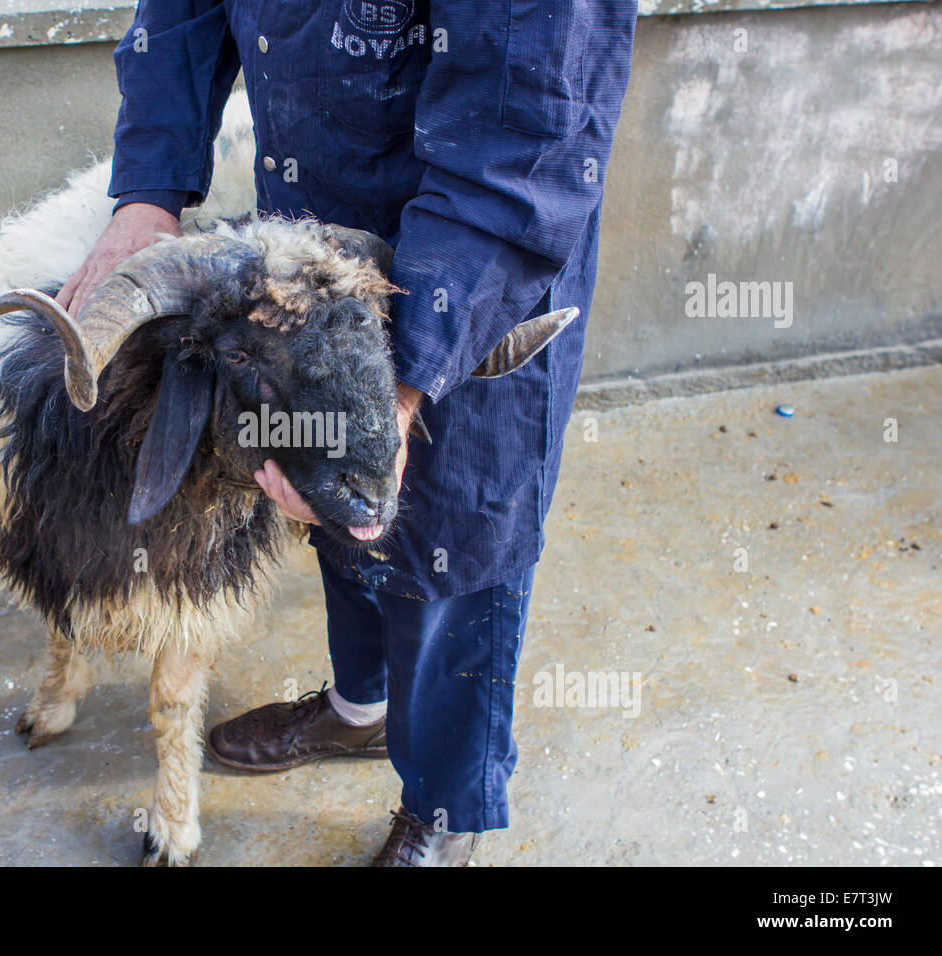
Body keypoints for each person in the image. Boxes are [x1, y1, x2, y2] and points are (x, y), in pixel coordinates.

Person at [58, 0, 637, 866]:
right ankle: (363, 706)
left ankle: (445, 805)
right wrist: (147, 190)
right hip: (312, 227)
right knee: (312, 490)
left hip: (475, 259)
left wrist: (394, 393)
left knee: (450, 523)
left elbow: (525, 131)